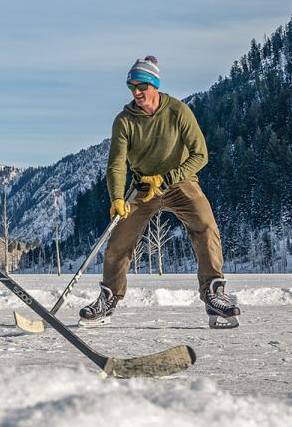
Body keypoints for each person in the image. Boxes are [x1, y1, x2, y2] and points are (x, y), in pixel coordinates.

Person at [80, 56, 240, 329]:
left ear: (155, 85)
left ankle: (214, 294)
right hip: (143, 186)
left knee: (205, 225)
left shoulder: (178, 111)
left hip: (180, 182)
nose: (137, 92)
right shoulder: (124, 121)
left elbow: (200, 155)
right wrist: (117, 197)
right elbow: (116, 164)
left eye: (142, 86)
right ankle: (108, 298)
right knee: (119, 240)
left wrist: (167, 177)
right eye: (132, 87)